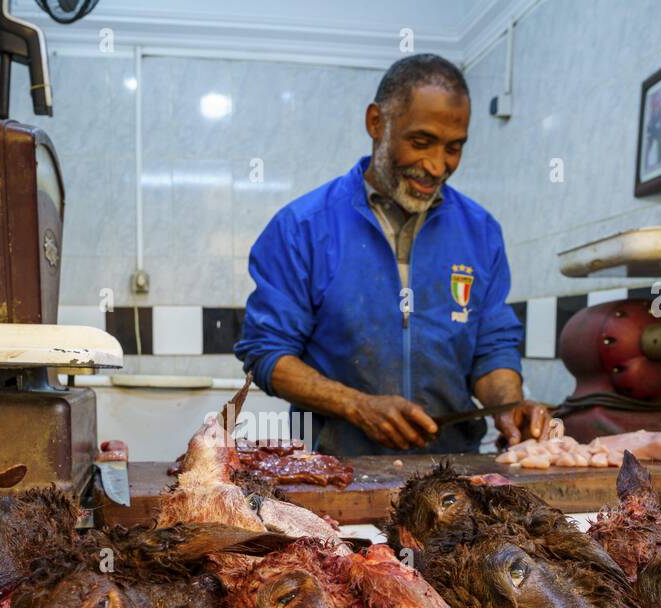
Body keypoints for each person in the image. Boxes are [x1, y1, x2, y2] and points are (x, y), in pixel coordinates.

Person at [234, 53, 551, 455]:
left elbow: (491, 347)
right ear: (376, 123)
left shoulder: (480, 231)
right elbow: (267, 353)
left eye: (454, 148)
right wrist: (357, 406)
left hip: (450, 471)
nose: (436, 166)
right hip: (333, 471)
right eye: (421, 142)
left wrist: (508, 405)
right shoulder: (302, 227)